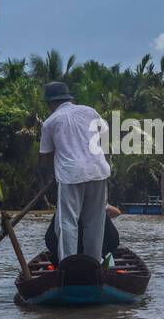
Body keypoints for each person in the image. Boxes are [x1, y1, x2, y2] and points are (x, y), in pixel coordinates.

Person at [38, 81, 111, 265]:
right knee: (95, 222)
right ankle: (93, 264)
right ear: (69, 98)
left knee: (67, 223)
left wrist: (50, 176)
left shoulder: (50, 122)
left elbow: (45, 156)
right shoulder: (90, 111)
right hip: (98, 170)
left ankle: (69, 265)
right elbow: (105, 136)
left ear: (50, 103)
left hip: (70, 175)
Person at [45, 203, 122, 265]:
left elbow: (50, 243)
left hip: (66, 264)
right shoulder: (97, 207)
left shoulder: (63, 209)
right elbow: (113, 243)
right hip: (93, 263)